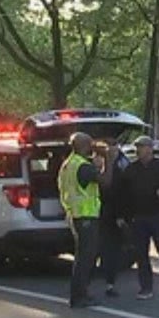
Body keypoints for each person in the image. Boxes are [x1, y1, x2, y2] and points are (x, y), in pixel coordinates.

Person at [120, 135, 159, 300]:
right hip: (138, 217)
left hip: (158, 216)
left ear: (150, 149)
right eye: (137, 147)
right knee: (141, 254)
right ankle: (145, 288)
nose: (138, 150)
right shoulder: (131, 170)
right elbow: (123, 195)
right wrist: (124, 216)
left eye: (141, 147)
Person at [59, 132, 103, 308]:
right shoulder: (83, 166)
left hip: (75, 214)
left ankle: (80, 293)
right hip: (86, 216)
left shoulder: (68, 164)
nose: (92, 146)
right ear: (83, 146)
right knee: (86, 258)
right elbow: (105, 181)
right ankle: (79, 296)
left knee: (82, 257)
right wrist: (107, 160)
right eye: (89, 144)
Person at [97, 140, 131, 298]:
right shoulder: (93, 169)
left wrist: (121, 216)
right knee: (106, 249)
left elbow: (120, 194)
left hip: (108, 216)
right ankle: (106, 283)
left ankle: (109, 282)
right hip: (100, 216)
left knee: (111, 250)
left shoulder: (119, 169)